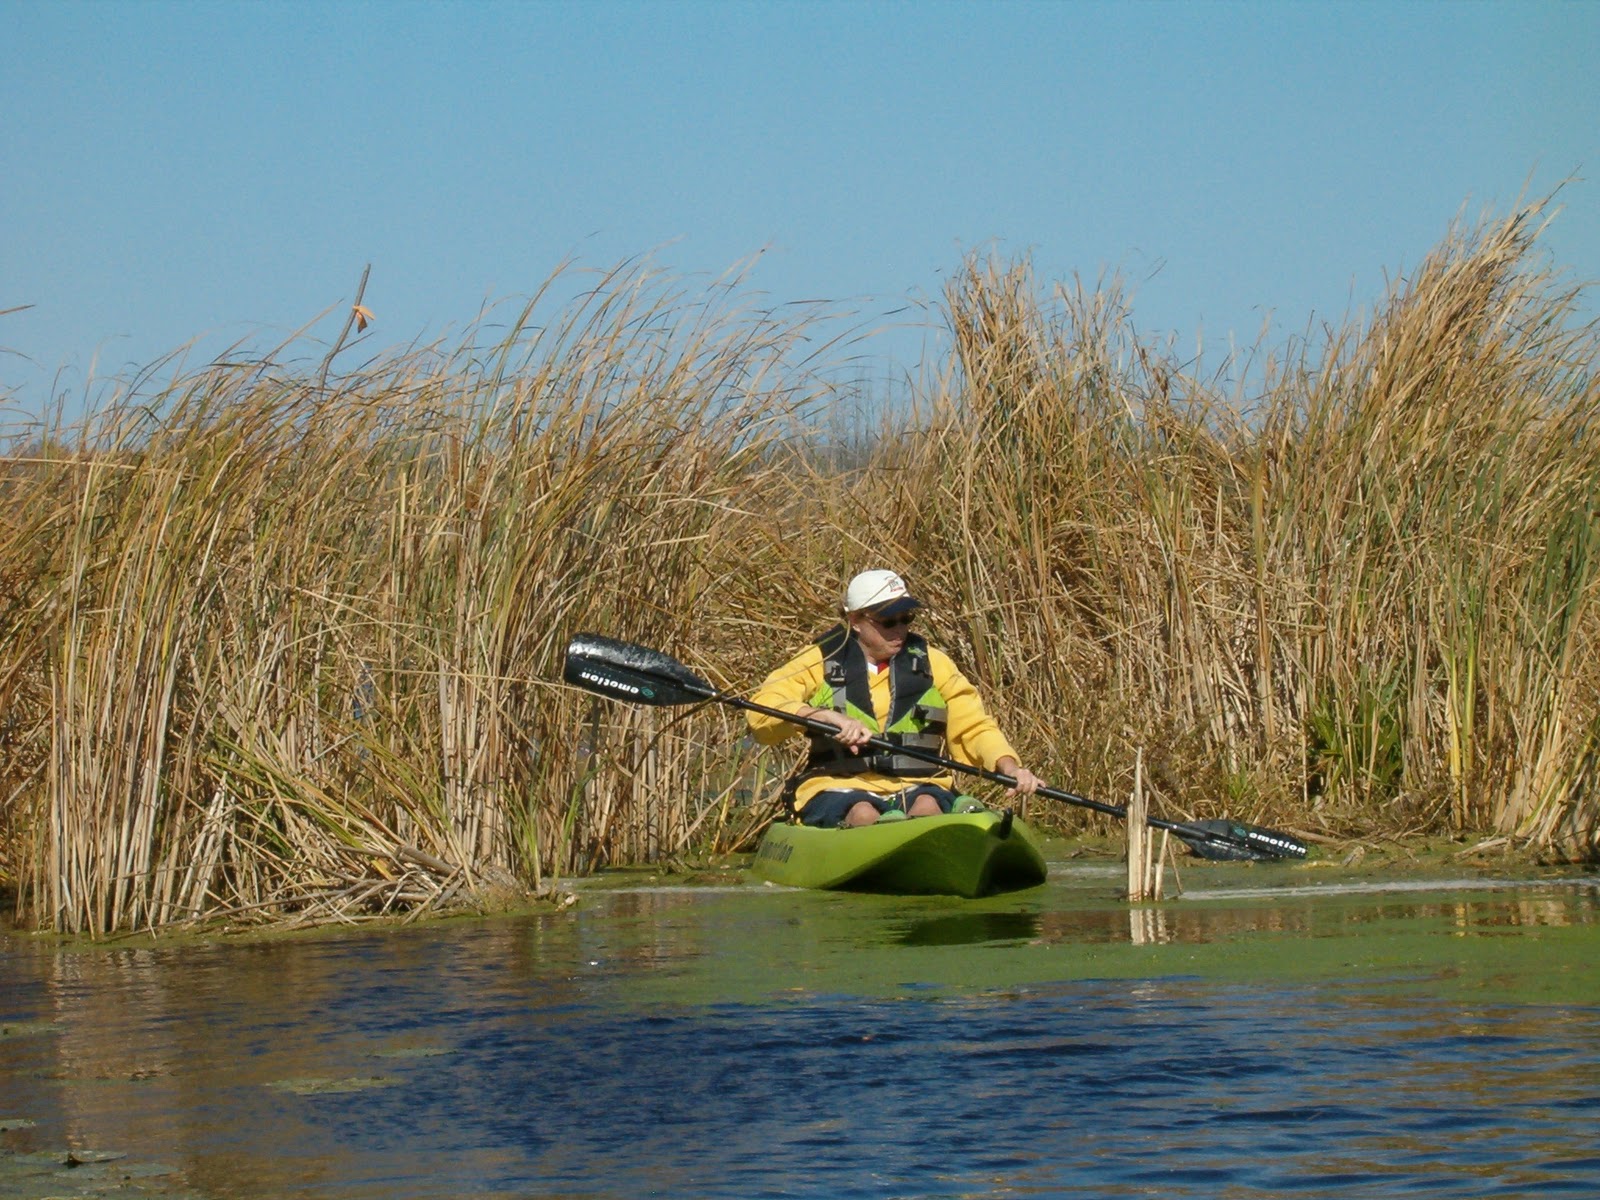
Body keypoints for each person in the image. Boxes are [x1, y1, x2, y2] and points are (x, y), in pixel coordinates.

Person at [748, 569, 1043, 827]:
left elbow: (974, 726)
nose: (900, 629)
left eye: (906, 618)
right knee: (863, 813)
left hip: (919, 784)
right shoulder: (818, 660)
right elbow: (763, 712)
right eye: (888, 621)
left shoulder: (933, 663)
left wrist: (1010, 767)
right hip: (836, 785)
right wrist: (820, 716)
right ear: (856, 620)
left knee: (927, 807)